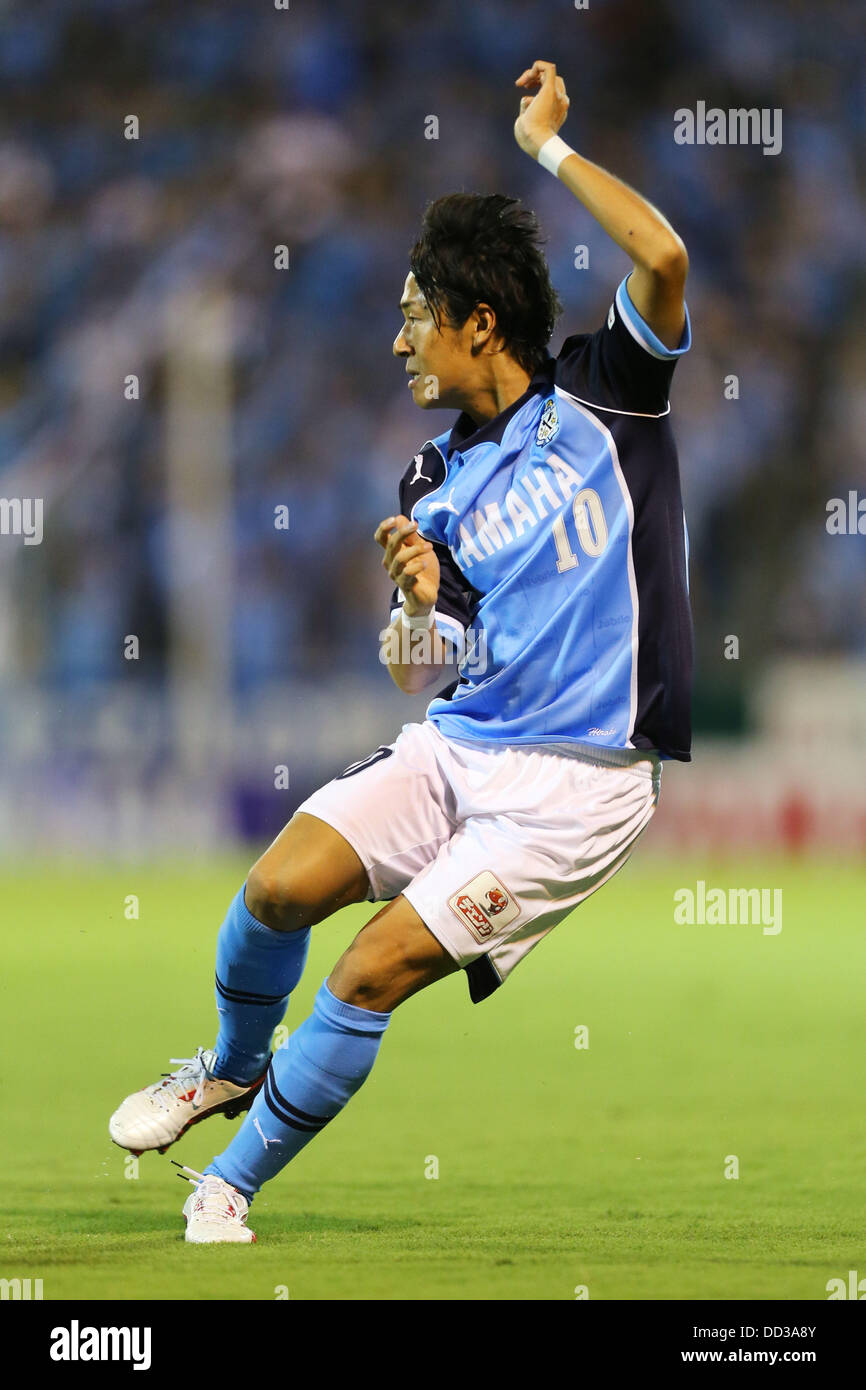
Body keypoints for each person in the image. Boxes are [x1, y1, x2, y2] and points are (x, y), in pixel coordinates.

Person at [109, 60, 692, 1243]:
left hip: (574, 787)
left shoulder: (609, 392)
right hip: (460, 742)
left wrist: (543, 150)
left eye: (413, 312)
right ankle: (225, 1062)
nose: (396, 342)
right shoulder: (428, 481)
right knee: (277, 885)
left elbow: (666, 259)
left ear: (480, 322)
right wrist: (422, 604)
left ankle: (230, 1182)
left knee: (368, 969)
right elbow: (416, 667)